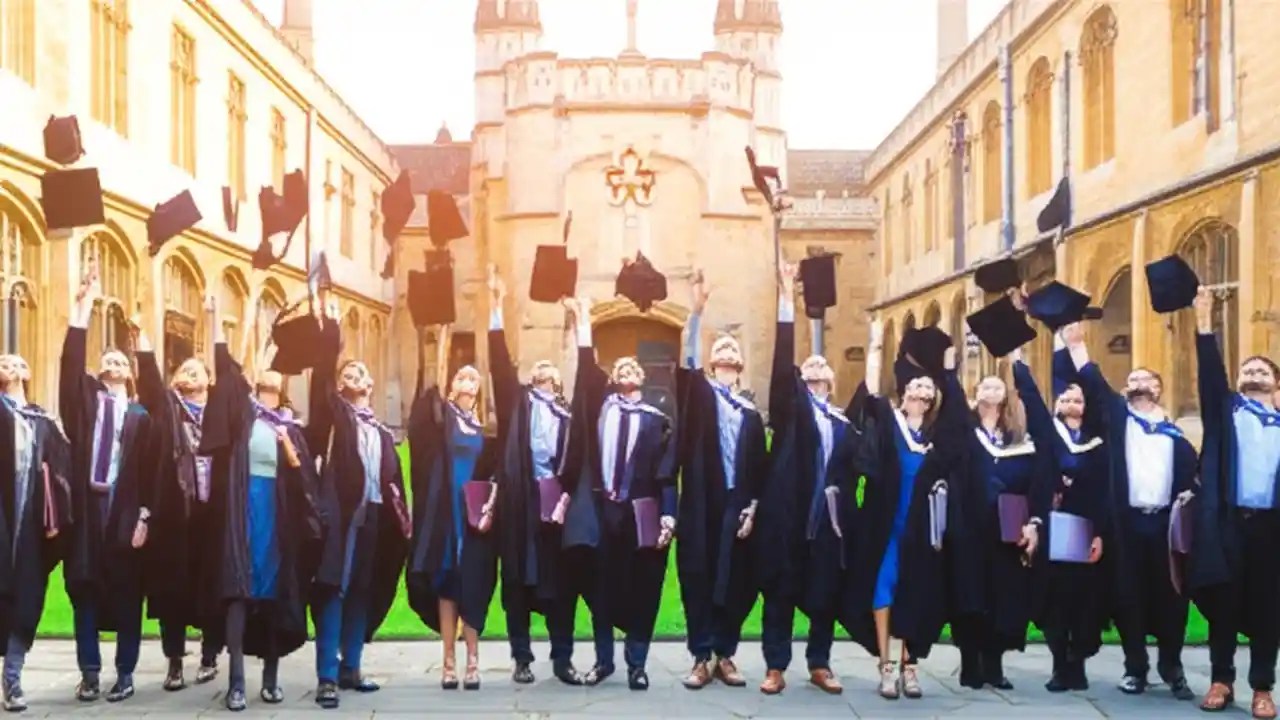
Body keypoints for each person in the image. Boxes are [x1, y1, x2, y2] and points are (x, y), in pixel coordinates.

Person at [196, 297, 323, 711]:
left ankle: (270, 678)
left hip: (275, 514)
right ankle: (236, 681)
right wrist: (219, 321)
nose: (266, 376)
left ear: (280, 387)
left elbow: (304, 477)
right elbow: (226, 372)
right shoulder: (241, 416)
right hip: (241, 510)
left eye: (272, 375)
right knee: (238, 592)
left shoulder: (289, 425)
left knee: (270, 593)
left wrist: (291, 451)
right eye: (261, 372)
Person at [1062, 321, 1197, 700]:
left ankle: (1172, 666)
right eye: (1133, 378)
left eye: (1148, 380)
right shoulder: (1121, 422)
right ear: (1125, 390)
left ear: (1159, 389)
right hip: (1128, 523)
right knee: (1129, 597)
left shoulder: (1177, 436)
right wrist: (1076, 346)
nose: (1140, 383)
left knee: (1173, 600)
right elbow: (1094, 386)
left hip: (1167, 527)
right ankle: (1135, 667)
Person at [836, 322, 965, 700]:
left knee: (918, 591)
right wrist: (875, 350)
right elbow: (872, 395)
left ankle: (910, 667)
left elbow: (959, 421)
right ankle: (886, 666)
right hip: (886, 522)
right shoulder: (890, 423)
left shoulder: (938, 435)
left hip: (922, 528)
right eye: (916, 387)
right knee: (883, 586)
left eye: (928, 388)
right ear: (905, 392)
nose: (922, 392)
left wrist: (951, 367)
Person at [562, 296, 677, 690]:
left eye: (634, 366)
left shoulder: (657, 421)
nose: (627, 367)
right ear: (612, 375)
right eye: (620, 365)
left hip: (639, 513)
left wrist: (669, 514)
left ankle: (637, 664)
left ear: (643, 379)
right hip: (602, 510)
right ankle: (604, 661)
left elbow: (666, 474)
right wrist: (581, 321)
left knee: (643, 586)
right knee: (600, 588)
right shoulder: (600, 408)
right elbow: (583, 366)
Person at [58, 263, 154, 703]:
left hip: (125, 512)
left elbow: (152, 472)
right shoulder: (86, 404)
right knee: (84, 591)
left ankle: (126, 672)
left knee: (127, 594)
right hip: (88, 510)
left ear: (130, 373)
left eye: (121, 360)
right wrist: (84, 308)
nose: (112, 363)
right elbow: (69, 365)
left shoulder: (141, 417)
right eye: (107, 360)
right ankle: (90, 672)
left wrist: (145, 516)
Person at [307, 304, 409, 709]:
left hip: (374, 519)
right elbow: (320, 386)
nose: (354, 376)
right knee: (333, 590)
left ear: (370, 382)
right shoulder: (334, 416)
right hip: (342, 519)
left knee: (361, 594)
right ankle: (326, 677)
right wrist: (332, 335)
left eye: (360, 372)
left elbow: (393, 481)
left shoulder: (381, 431)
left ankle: (352, 666)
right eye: (346, 374)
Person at [1188, 286, 1280, 718]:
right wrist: (1204, 324)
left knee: (1269, 606)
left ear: (1276, 383)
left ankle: (1262, 687)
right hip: (1228, 522)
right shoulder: (1226, 413)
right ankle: (1221, 680)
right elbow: (1210, 375)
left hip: (1272, 527)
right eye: (1248, 369)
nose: (1254, 374)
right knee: (1223, 605)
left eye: (1263, 370)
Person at [756, 262, 847, 695]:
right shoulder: (792, 414)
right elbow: (781, 372)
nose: (812, 369)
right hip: (789, 519)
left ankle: (819, 662)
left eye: (819, 368)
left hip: (826, 523)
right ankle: (775, 665)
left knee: (824, 595)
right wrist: (786, 306)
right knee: (780, 592)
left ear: (831, 380)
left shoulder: (845, 425)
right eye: (805, 369)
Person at [676, 269, 766, 690]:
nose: (727, 353)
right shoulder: (703, 395)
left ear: (740, 364)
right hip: (702, 502)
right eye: (721, 349)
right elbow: (688, 366)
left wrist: (753, 507)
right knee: (699, 574)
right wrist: (696, 313)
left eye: (733, 349)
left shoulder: (751, 415)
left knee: (735, 579)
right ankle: (700, 655)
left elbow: (760, 470)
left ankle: (725, 653)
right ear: (714, 363)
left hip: (736, 505)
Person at [485, 271, 577, 685]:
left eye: (550, 375)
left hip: (557, 502)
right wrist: (496, 307)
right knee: (518, 580)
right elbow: (500, 368)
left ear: (559, 384)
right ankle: (521, 657)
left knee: (561, 581)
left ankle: (562, 658)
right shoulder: (518, 404)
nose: (544, 376)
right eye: (538, 374)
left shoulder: (569, 417)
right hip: (521, 500)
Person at [133, 301, 223, 691]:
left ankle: (209, 655)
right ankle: (174, 661)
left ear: (208, 380)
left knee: (214, 585)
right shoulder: (168, 409)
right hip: (175, 515)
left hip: (214, 516)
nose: (187, 373)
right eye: (182, 370)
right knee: (172, 590)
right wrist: (142, 340)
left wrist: (215, 322)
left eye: (195, 370)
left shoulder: (221, 414)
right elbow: (151, 381)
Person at [404, 324, 499, 691]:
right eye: (463, 377)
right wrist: (441, 347)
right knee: (447, 585)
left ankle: (473, 660)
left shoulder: (483, 428)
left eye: (474, 378)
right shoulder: (443, 418)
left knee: (471, 584)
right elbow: (427, 403)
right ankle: (447, 660)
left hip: (473, 515)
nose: (469, 381)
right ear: (453, 385)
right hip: (447, 513)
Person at [948, 357, 1049, 691]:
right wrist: (950, 371)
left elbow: (1037, 481)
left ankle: (993, 664)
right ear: (975, 395)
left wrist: (1033, 522)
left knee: (1002, 599)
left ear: (1006, 395)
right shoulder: (965, 431)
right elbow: (949, 406)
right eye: (984, 386)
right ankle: (969, 665)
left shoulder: (1019, 437)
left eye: (997, 385)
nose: (991, 389)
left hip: (1008, 530)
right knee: (970, 597)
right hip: (970, 529)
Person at [1013, 345, 1108, 692]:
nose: (1071, 404)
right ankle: (1058, 665)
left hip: (1084, 528)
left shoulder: (1098, 441)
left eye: (1078, 400)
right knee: (1053, 599)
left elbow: (1103, 491)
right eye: (1065, 399)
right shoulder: (1048, 434)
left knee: (1082, 600)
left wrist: (1100, 533)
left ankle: (1077, 664)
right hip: (1052, 527)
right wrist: (1018, 361)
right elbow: (1032, 399)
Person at [0, 354, 71, 712]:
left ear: (28, 372)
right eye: (2, 362)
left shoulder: (41, 419)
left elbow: (64, 463)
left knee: (26, 599)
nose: (8, 366)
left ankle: (12, 679)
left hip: (29, 520)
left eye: (16, 362)